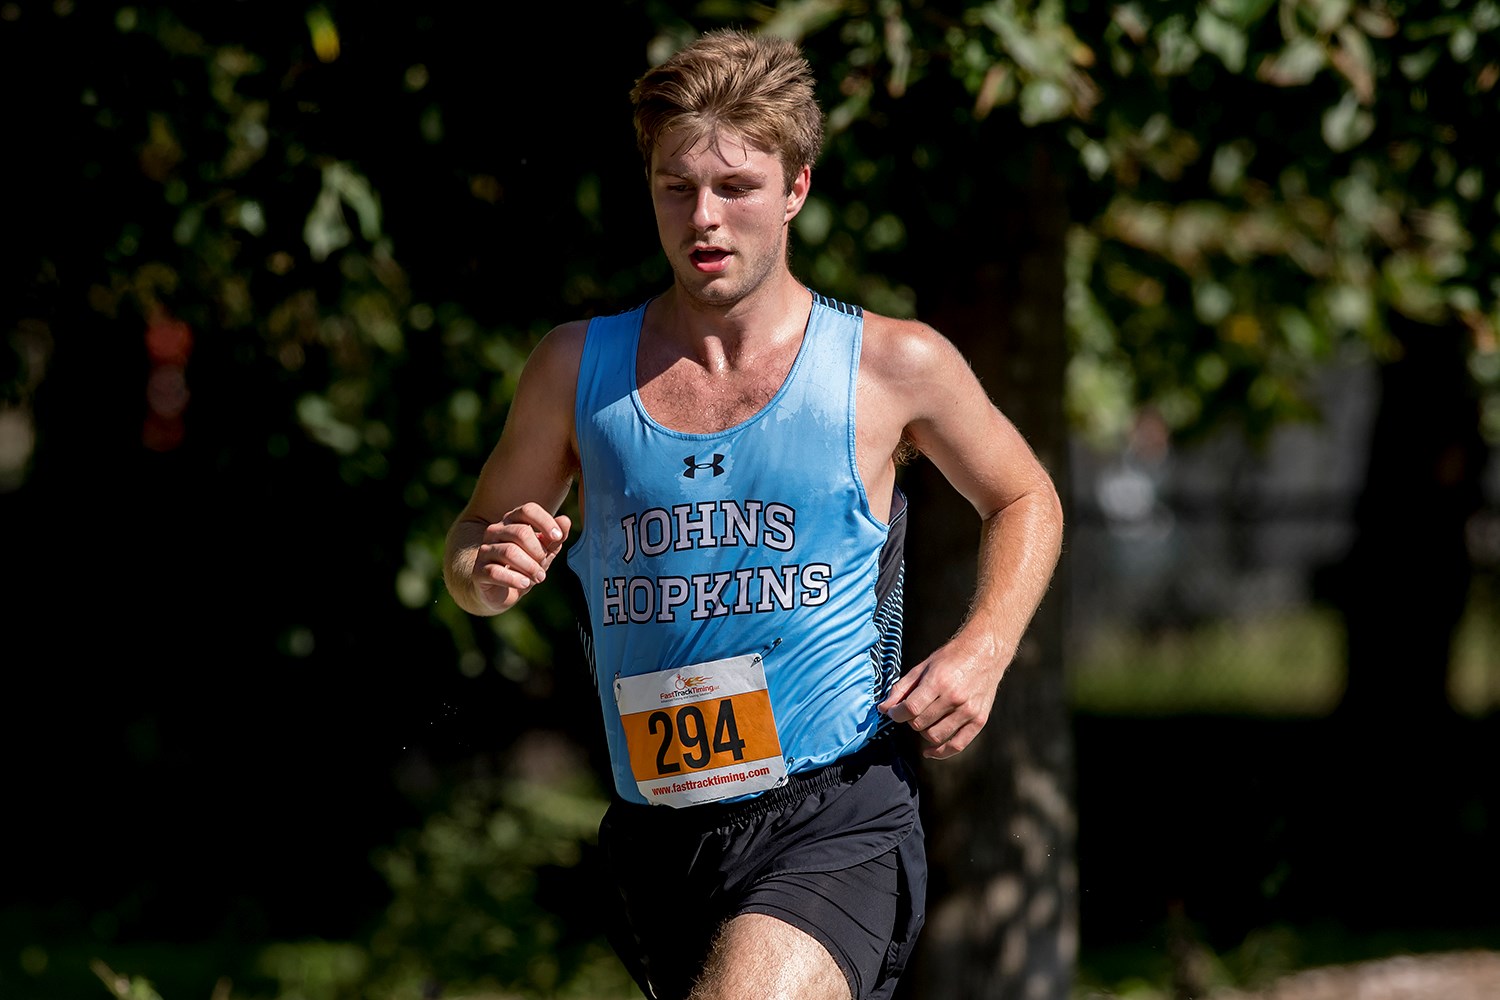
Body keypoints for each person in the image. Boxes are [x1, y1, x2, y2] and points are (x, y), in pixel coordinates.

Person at [442, 27, 1064, 1000]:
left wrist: (985, 647)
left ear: (796, 189)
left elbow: (1025, 495)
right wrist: (485, 568)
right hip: (654, 835)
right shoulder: (576, 369)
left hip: (835, 811)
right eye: (676, 188)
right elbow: (475, 545)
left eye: (735, 188)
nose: (705, 218)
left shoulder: (891, 365)